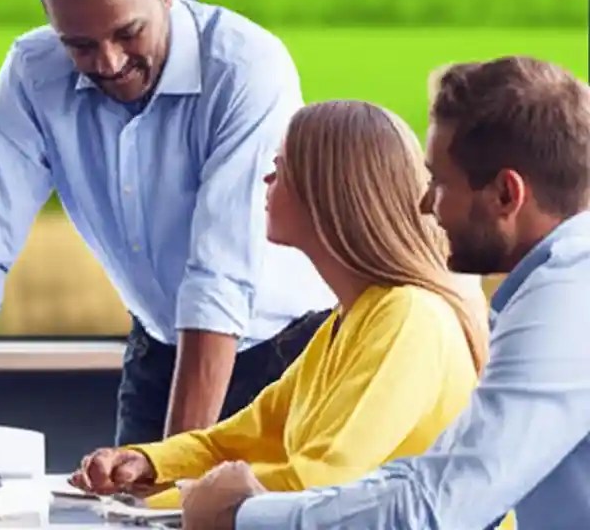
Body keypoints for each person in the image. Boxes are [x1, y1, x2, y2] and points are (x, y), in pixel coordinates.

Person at [0, 0, 334, 467]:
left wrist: (166, 466)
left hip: (289, 353)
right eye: (81, 45)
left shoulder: (245, 68)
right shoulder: (32, 73)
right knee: (131, 518)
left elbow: (219, 276)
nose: (110, 62)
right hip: (160, 343)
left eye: (127, 33)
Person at [180, 56, 590, 530]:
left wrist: (241, 516)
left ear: (505, 194)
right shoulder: (553, 289)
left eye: (438, 182)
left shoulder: (566, 299)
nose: (424, 204)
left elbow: (434, 506)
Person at [69, 100, 490, 509]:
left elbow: (319, 481)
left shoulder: (408, 318)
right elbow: (240, 439)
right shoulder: (350, 321)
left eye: (280, 168)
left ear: (328, 193)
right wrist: (147, 463)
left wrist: (173, 501)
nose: (266, 182)